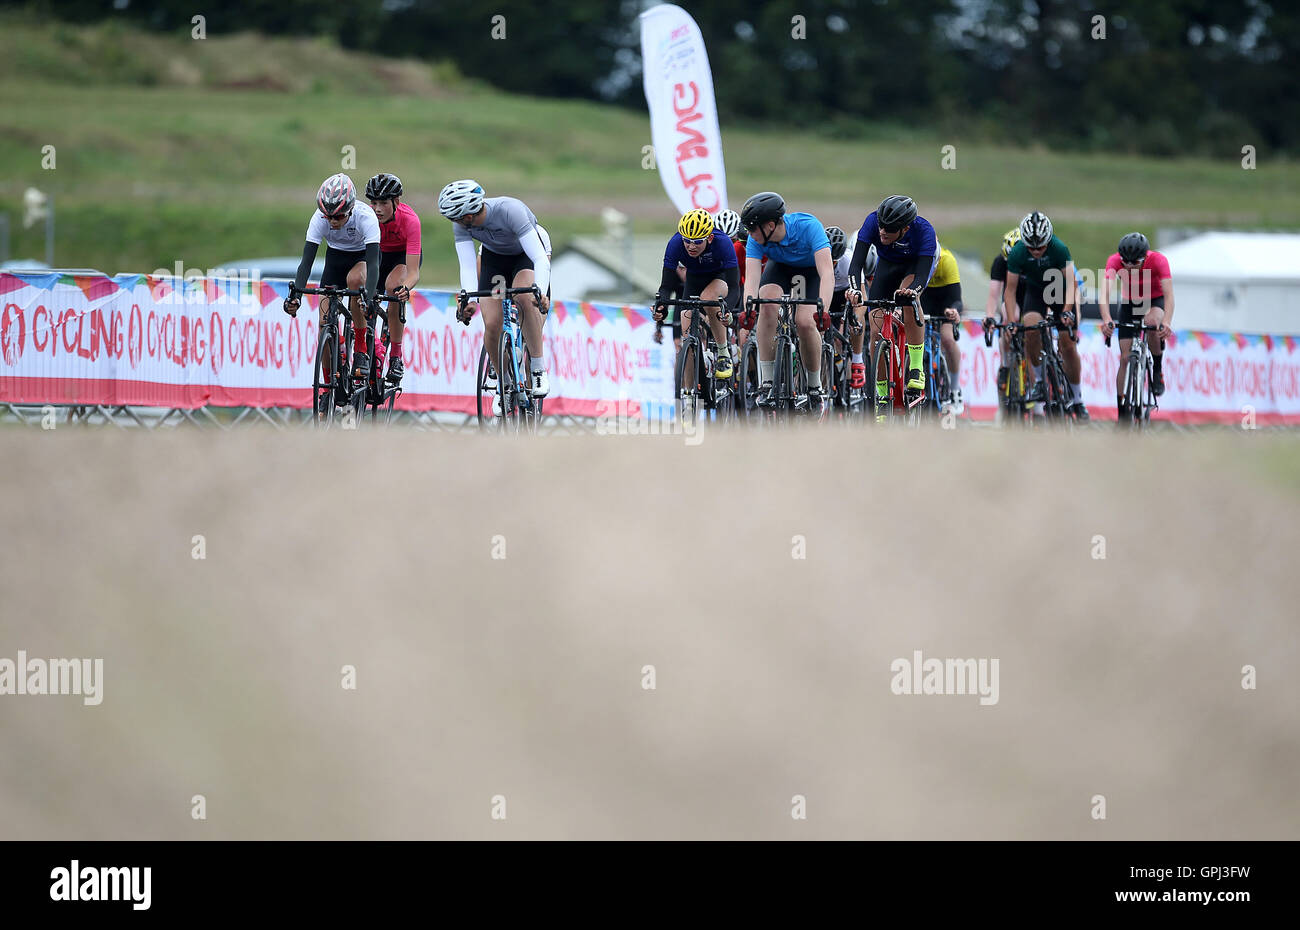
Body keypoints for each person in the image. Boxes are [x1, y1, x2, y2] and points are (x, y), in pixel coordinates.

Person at [440, 179, 552, 397]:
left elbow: (539, 258)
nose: (452, 222)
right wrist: (470, 300)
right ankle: (505, 384)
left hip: (526, 256)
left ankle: (537, 368)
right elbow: (468, 265)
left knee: (525, 298)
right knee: (492, 323)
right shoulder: (461, 224)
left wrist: (540, 290)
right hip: (495, 261)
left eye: (453, 218)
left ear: (468, 216)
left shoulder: (511, 210)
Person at [282, 173, 381, 391]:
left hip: (362, 258)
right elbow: (306, 263)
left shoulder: (366, 217)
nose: (332, 221)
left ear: (351, 209)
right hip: (334, 261)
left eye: (338, 217)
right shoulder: (319, 218)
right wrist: (296, 296)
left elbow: (374, 264)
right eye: (328, 217)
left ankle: (362, 349)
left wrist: (369, 296)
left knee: (355, 281)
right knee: (323, 323)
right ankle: (328, 386)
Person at [740, 192, 835, 412]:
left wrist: (823, 311)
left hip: (811, 271)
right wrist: (748, 308)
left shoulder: (809, 227)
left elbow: (827, 273)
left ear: (770, 225)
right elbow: (752, 281)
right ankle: (767, 382)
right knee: (768, 303)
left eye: (753, 229)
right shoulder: (756, 240)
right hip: (780, 268)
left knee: (804, 321)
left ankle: (813, 387)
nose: (750, 234)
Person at [848, 194, 938, 410]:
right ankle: (881, 394)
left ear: (905, 229)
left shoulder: (925, 231)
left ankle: (916, 367)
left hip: (914, 266)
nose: (882, 232)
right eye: (881, 226)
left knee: (908, 299)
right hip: (887, 266)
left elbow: (921, 277)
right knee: (876, 331)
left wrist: (912, 292)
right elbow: (856, 265)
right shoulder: (872, 222)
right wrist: (854, 290)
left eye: (889, 229)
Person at [1003, 211, 1090, 420]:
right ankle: (1040, 381)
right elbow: (1010, 291)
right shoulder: (1017, 253)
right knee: (1030, 328)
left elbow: (1072, 284)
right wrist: (1012, 321)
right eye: (1031, 247)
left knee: (1068, 345)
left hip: (1061, 291)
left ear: (1048, 240)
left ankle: (1078, 399)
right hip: (1037, 292)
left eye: (1040, 247)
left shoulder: (1059, 249)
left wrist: (1068, 310)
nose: (1035, 251)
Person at [652, 209, 739, 379]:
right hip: (693, 280)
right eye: (688, 241)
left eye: (697, 242)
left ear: (709, 238)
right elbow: (666, 286)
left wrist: (727, 309)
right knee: (687, 337)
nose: (691, 246)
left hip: (719, 277)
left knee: (708, 298)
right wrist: (661, 307)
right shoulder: (675, 243)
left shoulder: (723, 242)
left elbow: (734, 287)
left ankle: (723, 354)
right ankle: (689, 395)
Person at [1099, 232, 1174, 418]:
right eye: (1126, 263)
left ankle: (1157, 368)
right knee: (1125, 359)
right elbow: (1104, 295)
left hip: (1154, 299)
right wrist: (1107, 319)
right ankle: (1122, 414)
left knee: (1151, 323)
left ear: (1145, 257)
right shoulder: (1115, 261)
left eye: (1135, 263)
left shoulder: (1158, 261)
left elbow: (1169, 296)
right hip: (1130, 302)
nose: (1130, 266)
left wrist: (1166, 321)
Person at [365, 173, 420, 385]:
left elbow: (414, 272)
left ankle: (395, 356)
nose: (377, 209)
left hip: (402, 258)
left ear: (396, 202)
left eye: (384, 203)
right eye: (374, 203)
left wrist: (405, 288)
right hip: (377, 256)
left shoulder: (410, 220)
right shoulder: (367, 217)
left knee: (393, 288)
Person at [922, 246, 964, 414]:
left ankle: (954, 389)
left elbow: (956, 299)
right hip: (924, 298)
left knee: (947, 338)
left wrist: (954, 310)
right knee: (914, 338)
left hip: (945, 301)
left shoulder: (948, 260)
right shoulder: (918, 260)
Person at [985, 227, 1025, 401]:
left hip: (1031, 296)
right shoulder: (999, 262)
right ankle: (1006, 365)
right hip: (1011, 299)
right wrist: (989, 317)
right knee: (1008, 318)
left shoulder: (1031, 260)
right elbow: (993, 295)